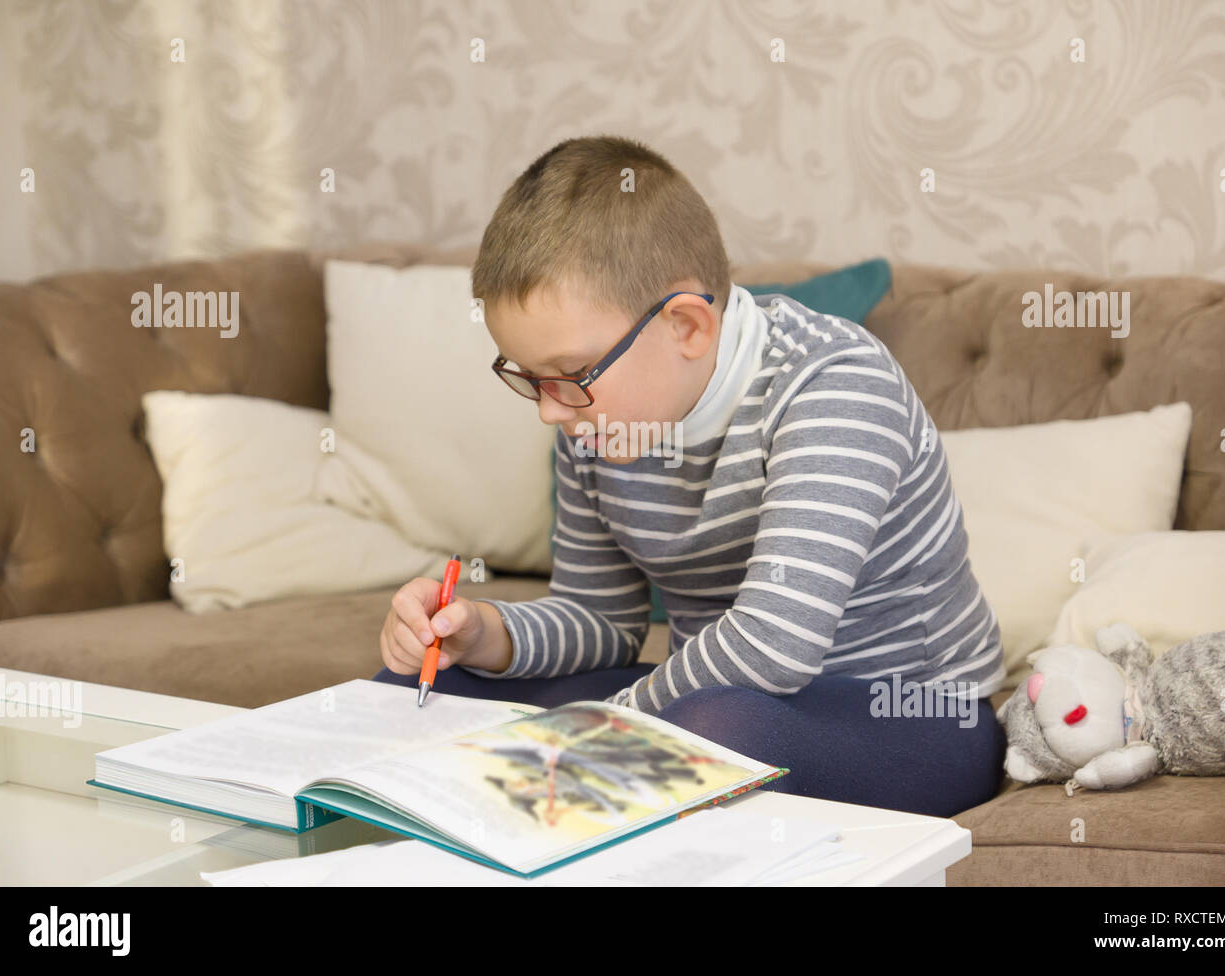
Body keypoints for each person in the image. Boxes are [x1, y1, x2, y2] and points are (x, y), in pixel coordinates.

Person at [374, 134, 1007, 818]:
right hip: (717, 693)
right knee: (421, 690)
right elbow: (602, 621)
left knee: (717, 733)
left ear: (687, 327)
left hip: (915, 715)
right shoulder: (592, 420)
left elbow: (773, 646)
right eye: (530, 380)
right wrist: (484, 635)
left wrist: (600, 725)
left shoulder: (833, 385)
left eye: (569, 376)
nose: (550, 412)